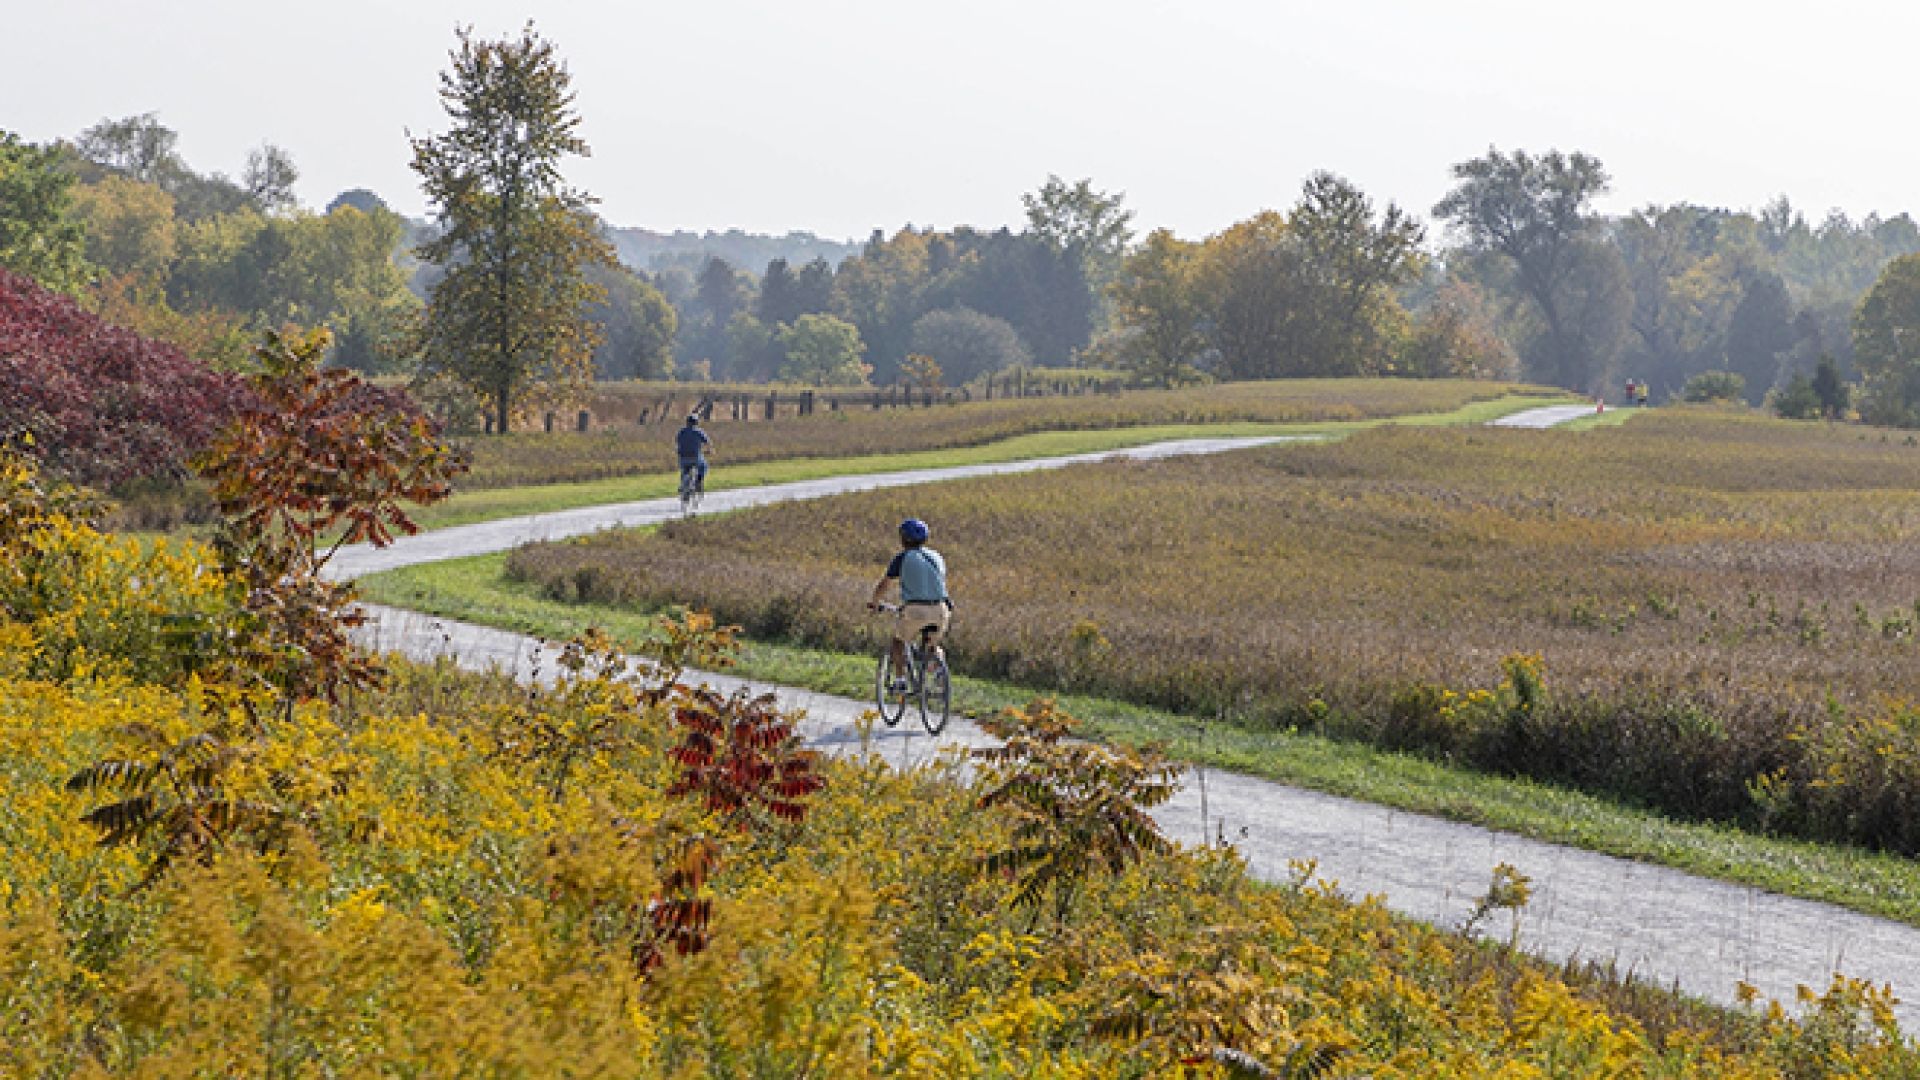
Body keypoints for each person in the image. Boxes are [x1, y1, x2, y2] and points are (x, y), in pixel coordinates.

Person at [867, 518, 950, 693]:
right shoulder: (937, 557)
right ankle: (939, 672)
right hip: (941, 609)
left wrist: (875, 603)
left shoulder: (903, 558)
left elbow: (885, 585)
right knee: (932, 645)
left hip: (915, 610)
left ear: (903, 538)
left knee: (898, 642)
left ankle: (900, 680)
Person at [675, 412, 712, 494]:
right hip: (695, 456)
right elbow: (707, 442)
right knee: (704, 466)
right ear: (696, 422)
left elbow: (677, 442)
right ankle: (698, 481)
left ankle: (682, 484)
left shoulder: (681, 432)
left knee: (684, 470)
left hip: (683, 457)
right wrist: (709, 450)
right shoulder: (698, 432)